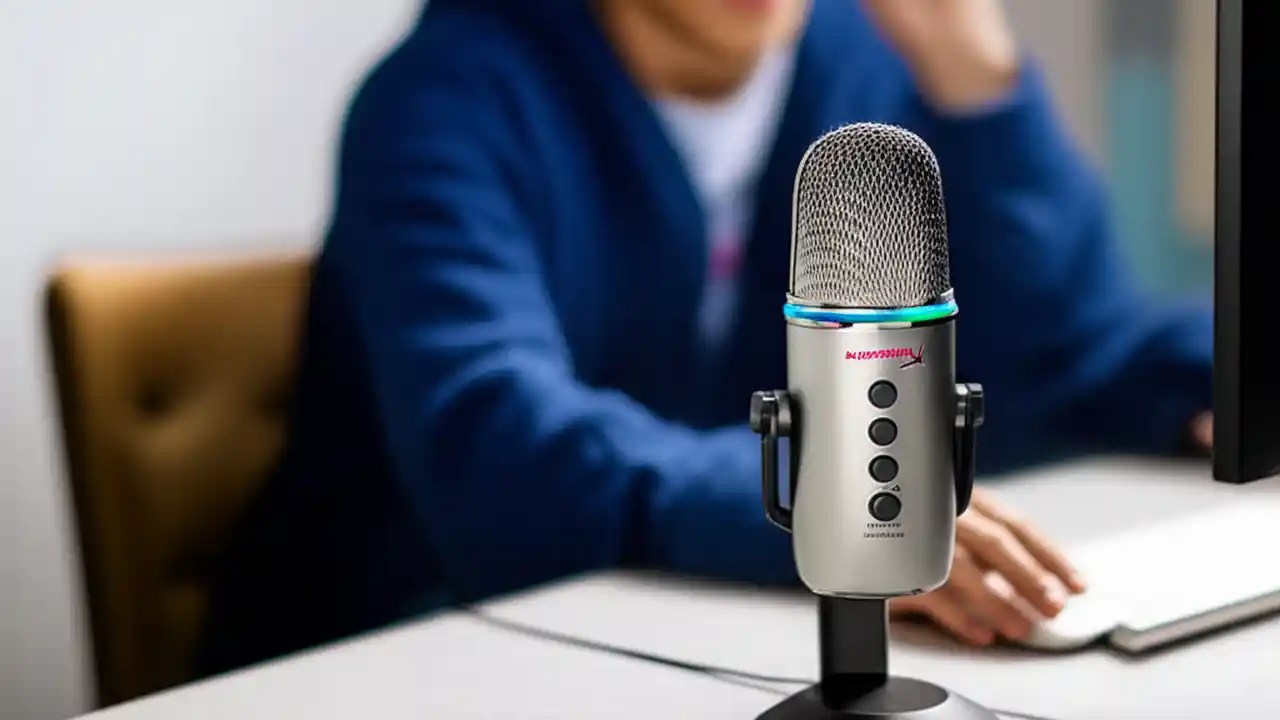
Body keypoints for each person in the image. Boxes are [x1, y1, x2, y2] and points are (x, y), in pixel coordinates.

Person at [201, 0, 1213, 673]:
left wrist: (977, 78)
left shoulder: (848, 61)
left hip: (707, 630)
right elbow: (498, 447)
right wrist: (831, 500)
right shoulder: (440, 100)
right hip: (417, 652)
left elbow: (1066, 353)